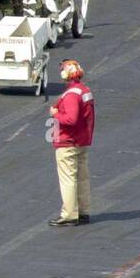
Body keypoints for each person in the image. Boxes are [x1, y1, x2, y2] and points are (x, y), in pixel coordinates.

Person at [48, 59, 95, 227]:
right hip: (81, 141)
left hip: (68, 142)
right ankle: (83, 211)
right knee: (82, 177)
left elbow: (71, 119)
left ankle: (69, 214)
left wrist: (55, 114)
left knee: (68, 179)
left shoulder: (71, 95)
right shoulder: (85, 91)